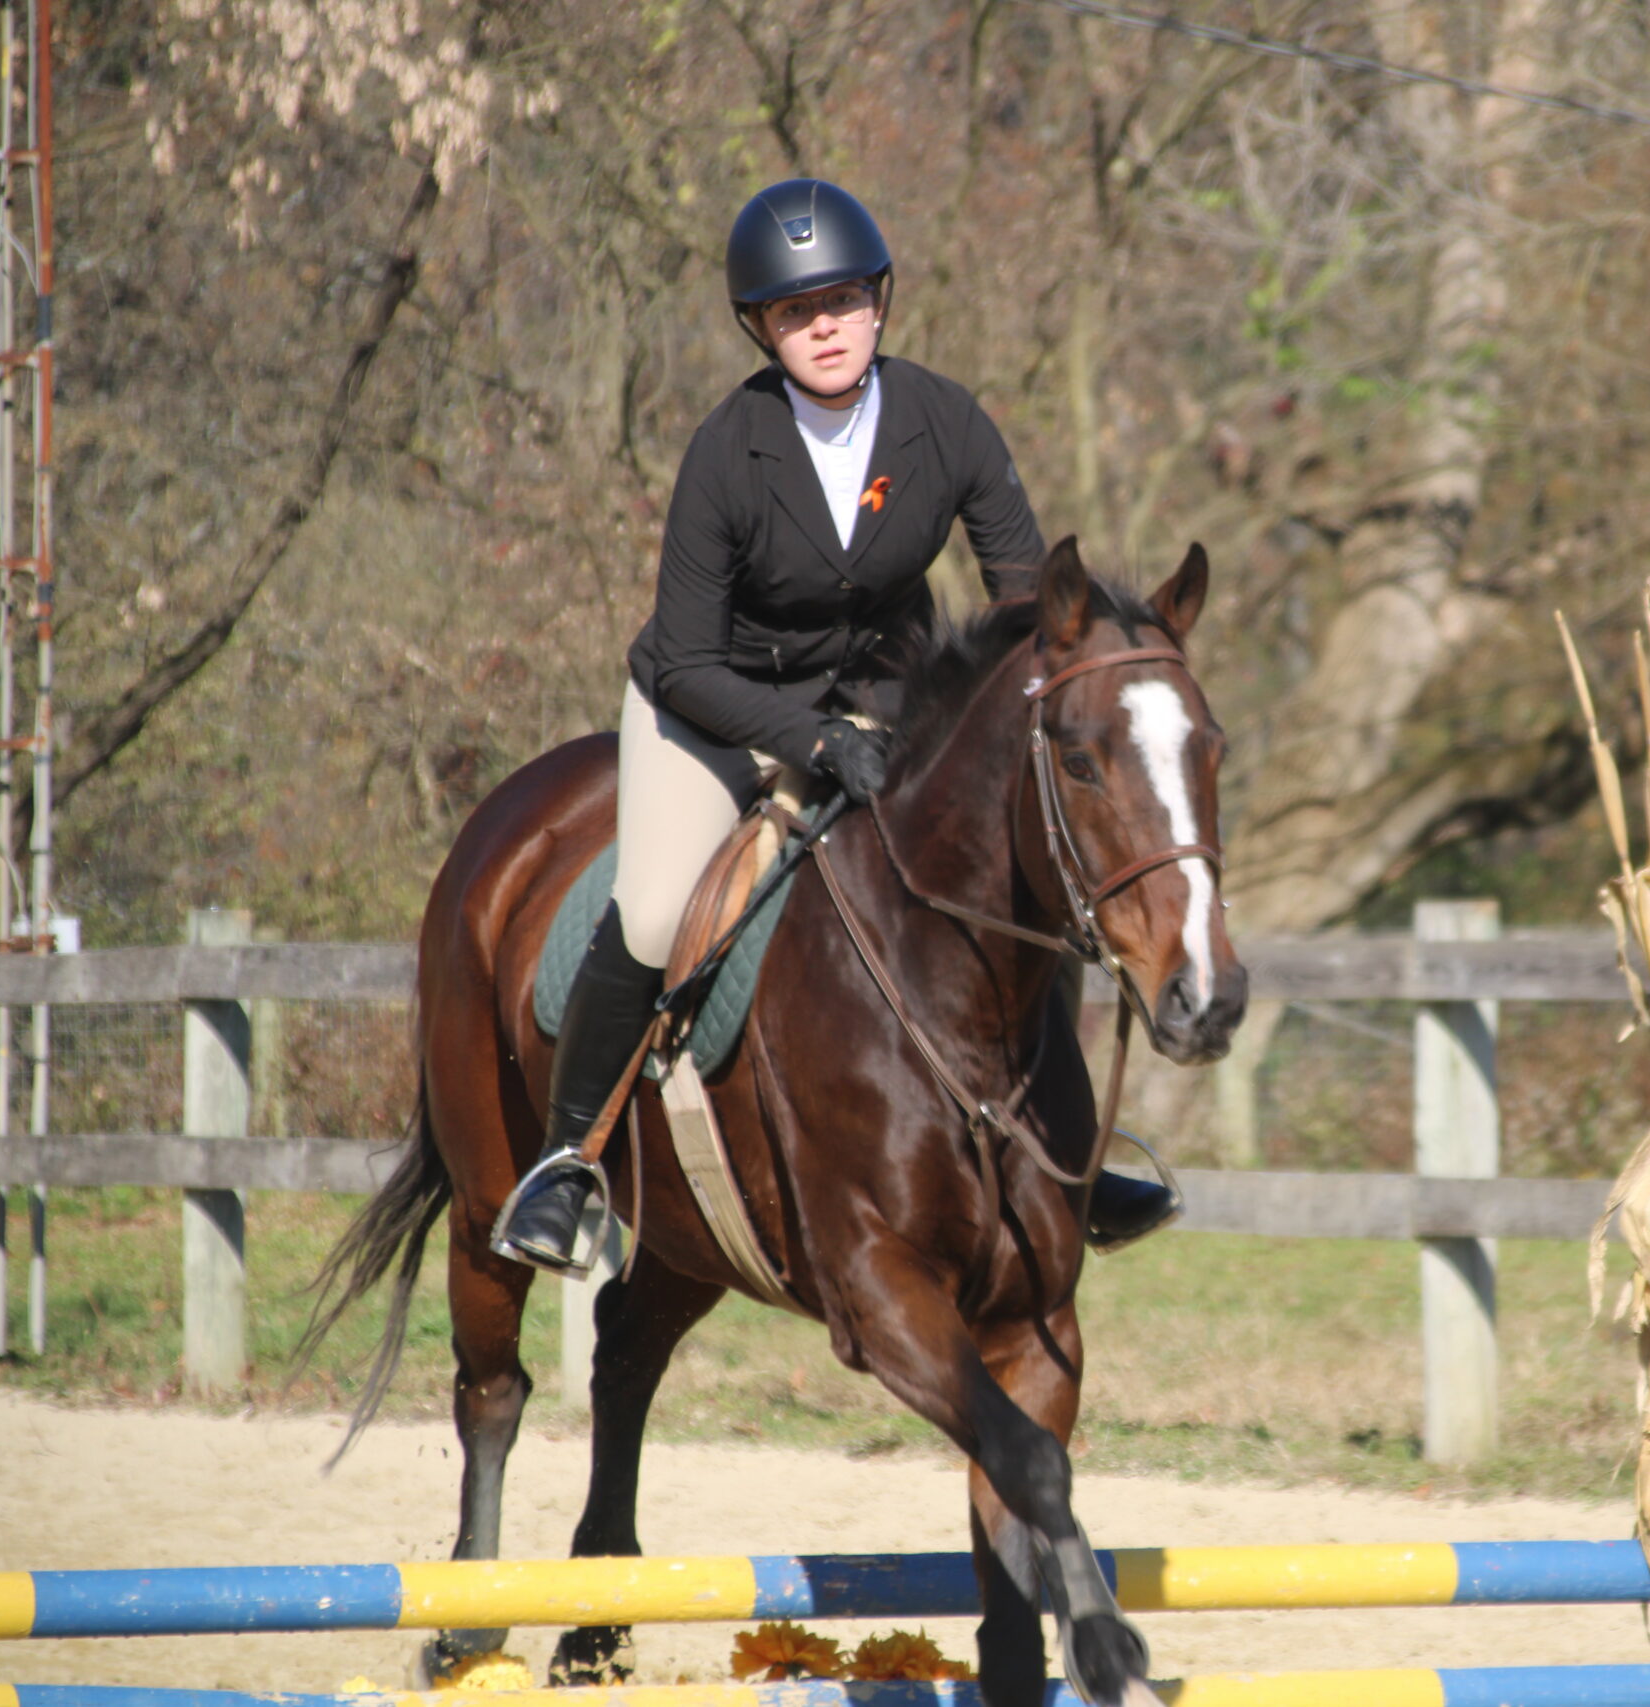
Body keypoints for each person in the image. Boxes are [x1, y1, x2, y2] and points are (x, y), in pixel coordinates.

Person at [493, 178, 1180, 1274]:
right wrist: (812, 743)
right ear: (762, 328)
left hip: (886, 703)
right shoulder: (730, 450)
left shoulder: (945, 422)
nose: (823, 325)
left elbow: (1024, 611)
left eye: (844, 300)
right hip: (713, 709)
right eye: (795, 311)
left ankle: (1071, 1154)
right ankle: (566, 1161)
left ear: (879, 305)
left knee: (1017, 874)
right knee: (665, 904)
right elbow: (685, 657)